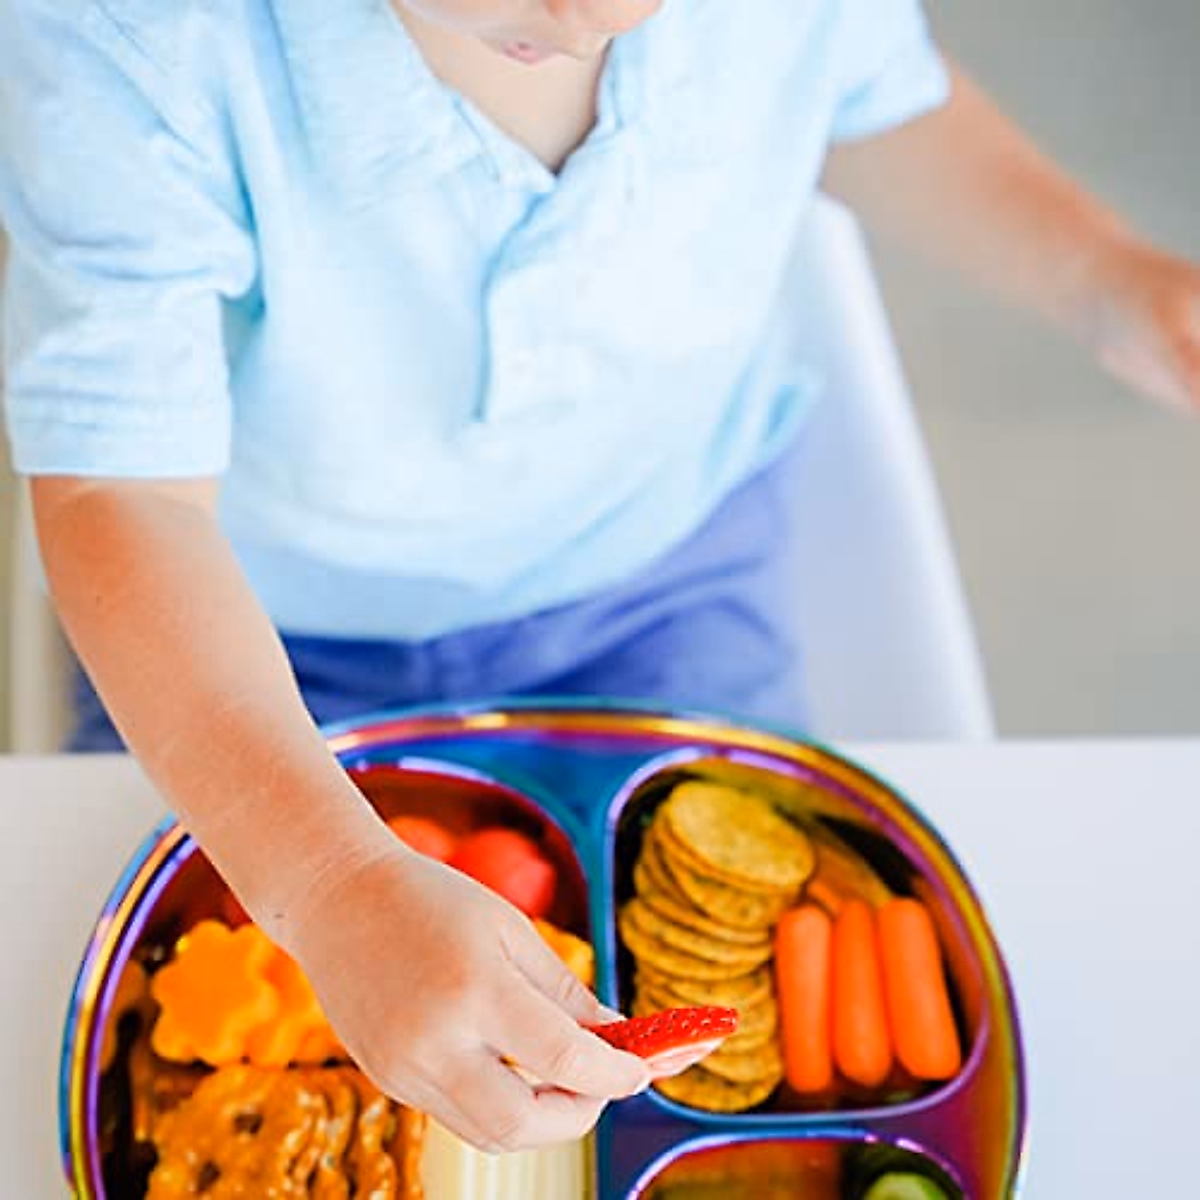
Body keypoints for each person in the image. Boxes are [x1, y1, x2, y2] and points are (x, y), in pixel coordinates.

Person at [1, 0, 1197, 1153]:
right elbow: (126, 499)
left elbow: (873, 99)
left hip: (662, 568)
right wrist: (323, 882)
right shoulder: (125, 38)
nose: (595, 16)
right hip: (252, 630)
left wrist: (1112, 279)